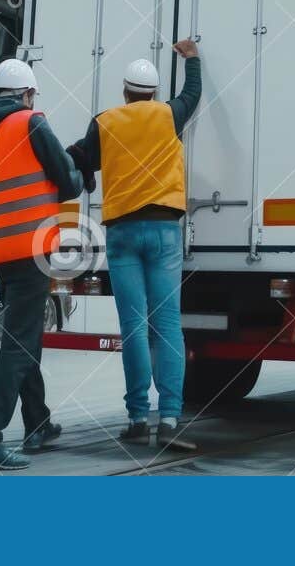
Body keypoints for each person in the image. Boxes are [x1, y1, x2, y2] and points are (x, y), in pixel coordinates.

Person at [67, 40, 202, 452]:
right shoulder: (169, 114)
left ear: (125, 92)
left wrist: (89, 176)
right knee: (168, 325)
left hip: (122, 232)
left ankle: (137, 419)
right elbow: (192, 94)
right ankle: (170, 420)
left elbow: (82, 158)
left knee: (134, 327)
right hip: (163, 230)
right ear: (154, 93)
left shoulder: (105, 121)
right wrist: (192, 59)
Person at [0, 58, 84, 469]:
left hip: (0, 254)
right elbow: (67, 182)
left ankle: (38, 423)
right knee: (17, 346)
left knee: (25, 337)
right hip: (33, 249)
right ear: (27, 94)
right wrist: (82, 173)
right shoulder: (32, 123)